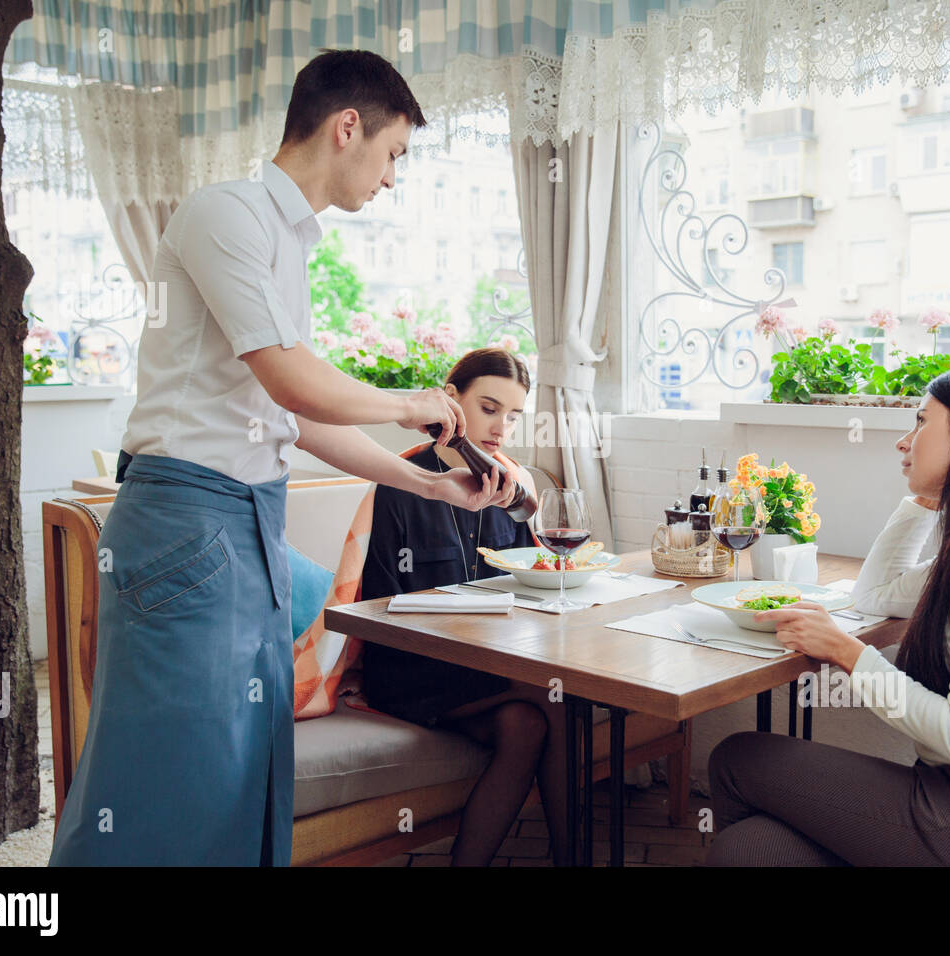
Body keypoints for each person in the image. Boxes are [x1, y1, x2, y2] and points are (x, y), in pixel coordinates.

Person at [49, 50, 519, 867]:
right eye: (394, 153)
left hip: (242, 524)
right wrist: (412, 403)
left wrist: (429, 480)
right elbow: (290, 379)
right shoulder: (223, 214)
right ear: (348, 129)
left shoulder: (288, 244)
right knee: (166, 784)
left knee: (238, 782)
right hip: (188, 520)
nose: (391, 177)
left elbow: (284, 414)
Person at [706, 367, 950, 866]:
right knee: (744, 850)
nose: (904, 441)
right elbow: (873, 595)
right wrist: (923, 499)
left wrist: (847, 652)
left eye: (921, 422)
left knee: (739, 759)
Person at [360, 347, 573, 866]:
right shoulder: (400, 483)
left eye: (514, 415)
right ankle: (576, 857)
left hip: (487, 665)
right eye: (488, 407)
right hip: (410, 669)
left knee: (525, 724)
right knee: (554, 697)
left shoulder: (512, 489)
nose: (501, 427)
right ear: (449, 400)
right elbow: (376, 606)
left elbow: (533, 581)